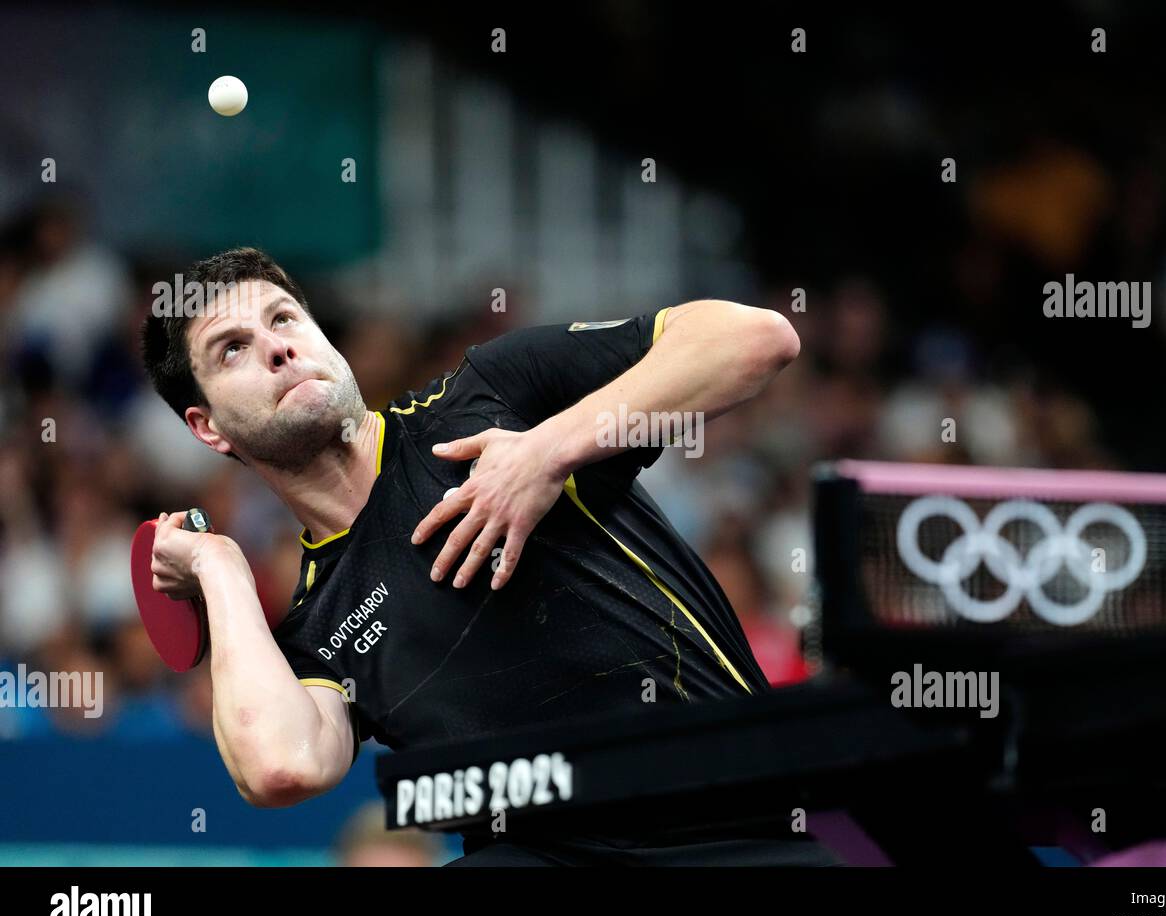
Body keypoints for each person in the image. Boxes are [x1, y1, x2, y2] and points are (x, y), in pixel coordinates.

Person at [140, 247, 840, 865]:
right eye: (232, 349)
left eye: (285, 319)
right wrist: (219, 566)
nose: (277, 347)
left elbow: (757, 339)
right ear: (207, 428)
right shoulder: (319, 633)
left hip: (734, 819)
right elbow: (281, 769)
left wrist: (549, 450)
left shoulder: (491, 396)